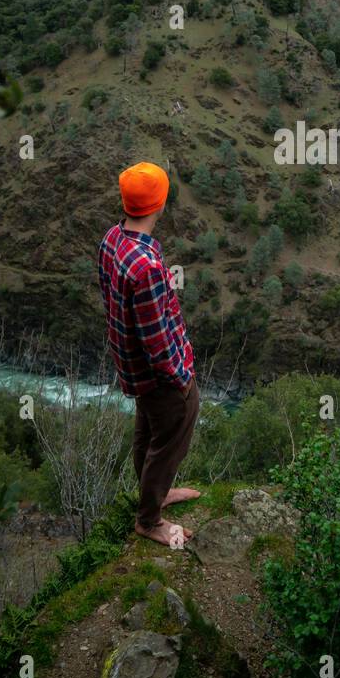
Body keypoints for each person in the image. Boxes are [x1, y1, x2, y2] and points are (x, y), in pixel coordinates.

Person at [97, 161, 201, 547]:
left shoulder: (111, 240)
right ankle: (149, 518)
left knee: (148, 431)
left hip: (131, 366)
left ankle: (153, 493)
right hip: (159, 372)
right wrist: (180, 376)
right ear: (159, 205)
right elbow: (157, 340)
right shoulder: (149, 268)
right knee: (175, 430)